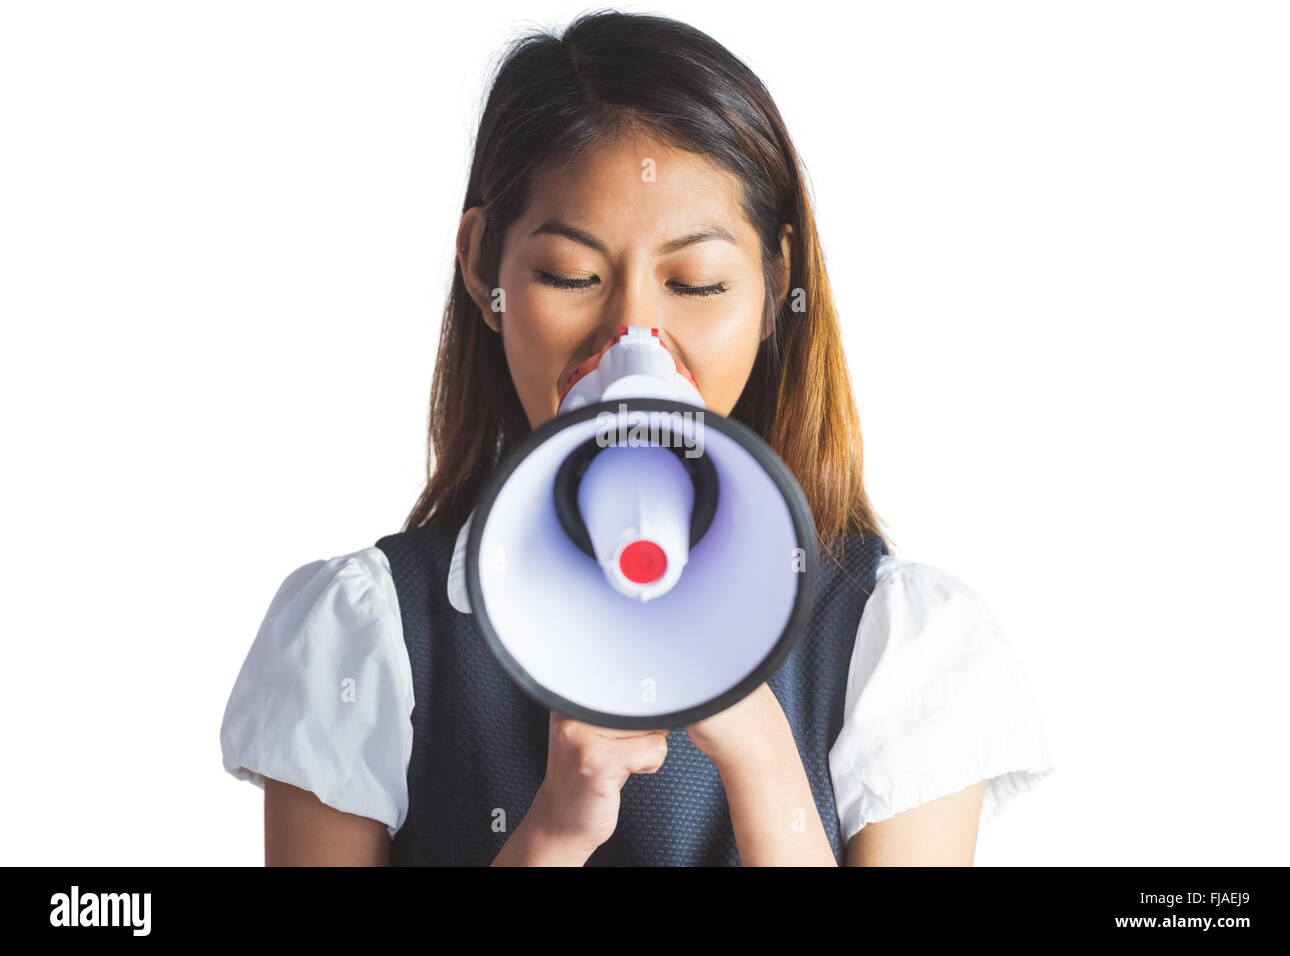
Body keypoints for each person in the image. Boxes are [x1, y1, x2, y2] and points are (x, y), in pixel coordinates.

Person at [220, 10, 1054, 866]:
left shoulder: (897, 642)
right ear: (480, 266)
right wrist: (551, 833)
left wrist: (763, 759)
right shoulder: (368, 634)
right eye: (570, 275)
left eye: (696, 283)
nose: (632, 338)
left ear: (775, 286)